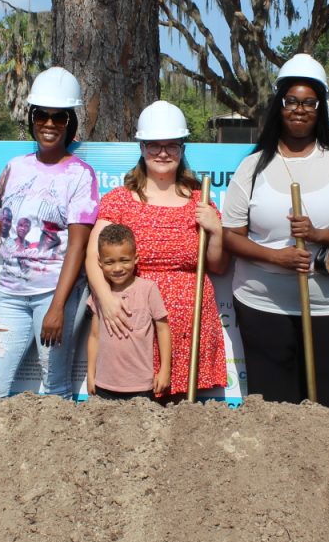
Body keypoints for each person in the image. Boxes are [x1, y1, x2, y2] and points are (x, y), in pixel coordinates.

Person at [220, 54, 329, 406]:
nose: (299, 110)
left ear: (320, 109)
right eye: (291, 102)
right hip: (263, 307)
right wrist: (278, 257)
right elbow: (231, 236)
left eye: (309, 103)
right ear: (279, 106)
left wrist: (318, 234)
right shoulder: (253, 166)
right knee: (273, 410)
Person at [0, 67, 98, 397]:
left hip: (55, 295)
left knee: (55, 385)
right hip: (11, 295)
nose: (49, 124)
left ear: (69, 124)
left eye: (58, 118)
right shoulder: (14, 168)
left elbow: (78, 244)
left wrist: (58, 307)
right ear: (32, 119)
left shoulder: (80, 175)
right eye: (42, 116)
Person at [86, 100, 228, 400]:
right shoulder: (119, 200)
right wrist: (106, 301)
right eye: (154, 145)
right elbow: (93, 258)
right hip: (134, 320)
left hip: (191, 322)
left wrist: (215, 230)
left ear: (182, 149)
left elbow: (216, 266)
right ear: (141, 148)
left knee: (185, 423)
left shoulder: (200, 200)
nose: (163, 153)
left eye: (172, 146)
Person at [86, 223, 171, 399]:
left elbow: (163, 330)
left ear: (136, 258)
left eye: (124, 260)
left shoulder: (148, 289)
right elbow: (94, 336)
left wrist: (165, 370)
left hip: (141, 386)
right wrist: (91, 374)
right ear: (100, 263)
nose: (117, 268)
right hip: (104, 384)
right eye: (110, 262)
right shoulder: (99, 295)